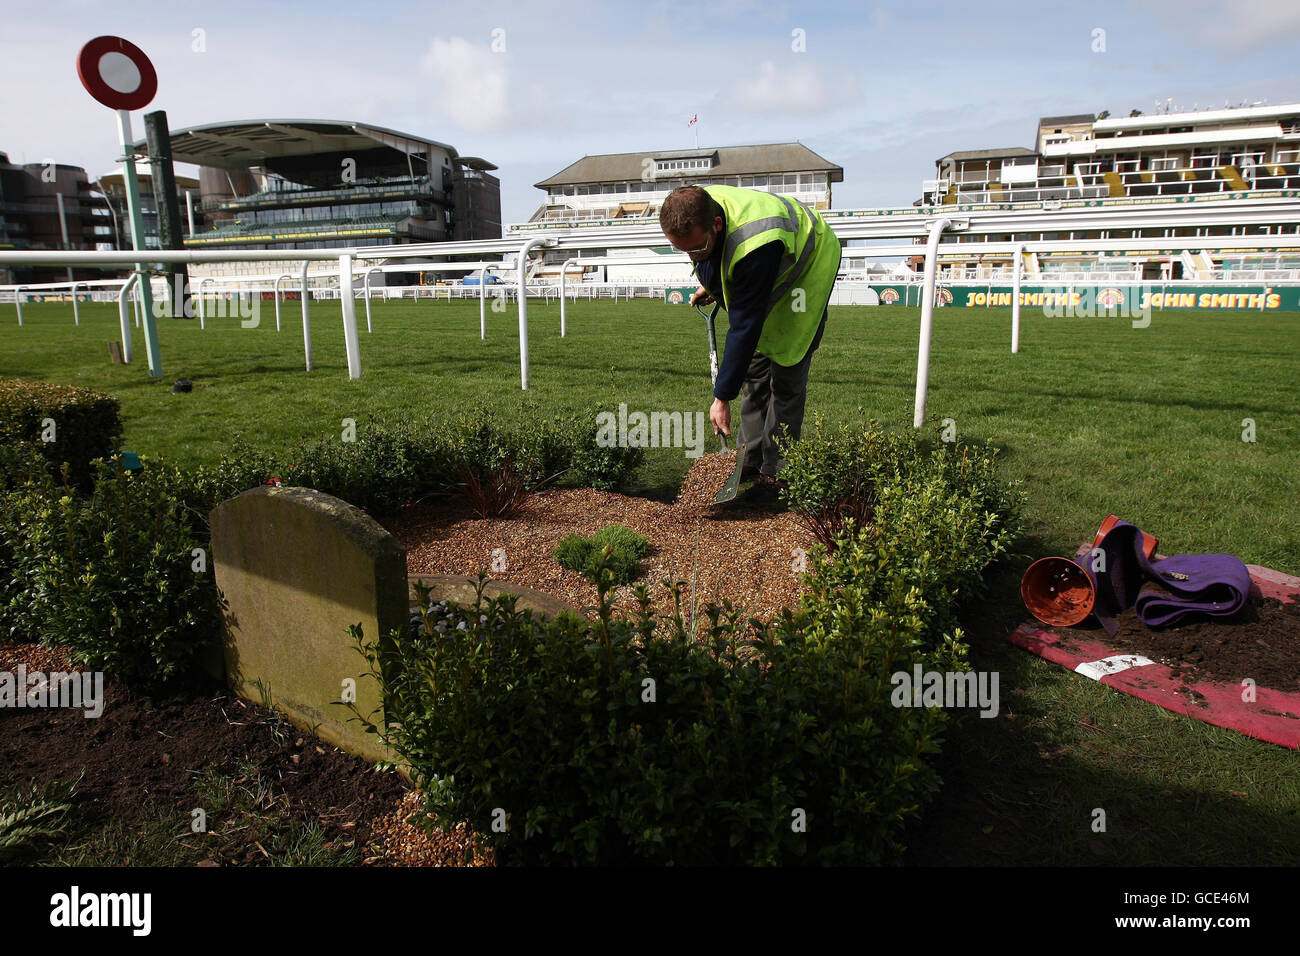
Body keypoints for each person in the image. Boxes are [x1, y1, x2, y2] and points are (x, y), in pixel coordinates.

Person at [659, 183, 842, 496]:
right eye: (683, 250)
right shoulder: (696, 210)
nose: (692, 256)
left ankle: (777, 471)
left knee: (785, 373)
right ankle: (749, 457)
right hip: (767, 266)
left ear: (716, 225)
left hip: (807, 268)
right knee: (755, 372)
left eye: (696, 248)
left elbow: (745, 324)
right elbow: (715, 262)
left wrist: (721, 397)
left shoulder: (755, 244)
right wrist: (715, 287)